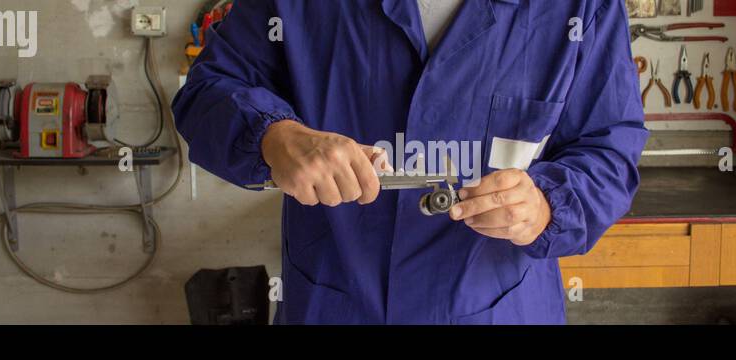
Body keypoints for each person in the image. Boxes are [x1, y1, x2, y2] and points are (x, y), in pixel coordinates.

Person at [173, 0, 647, 324]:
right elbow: (207, 91)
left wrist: (546, 204)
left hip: (500, 305)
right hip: (335, 304)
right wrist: (276, 138)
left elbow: (609, 146)